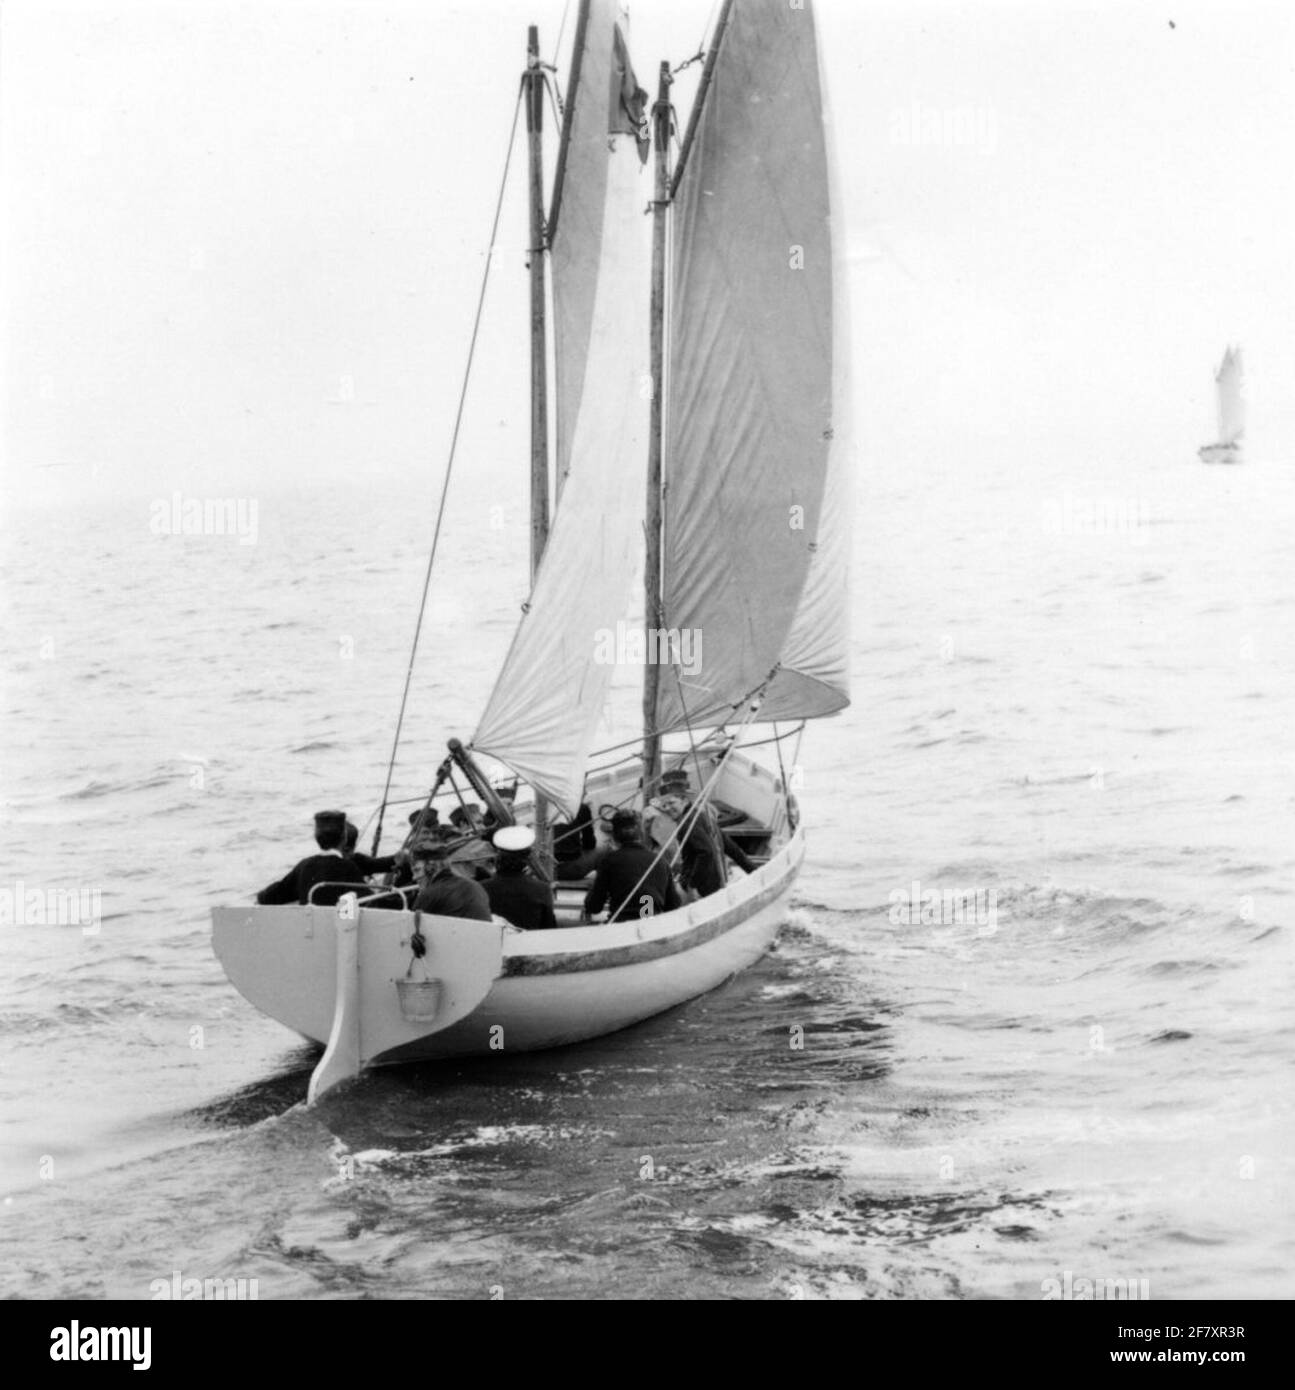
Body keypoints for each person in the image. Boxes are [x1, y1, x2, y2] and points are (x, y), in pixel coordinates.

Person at [656, 770, 754, 898]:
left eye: (671, 803)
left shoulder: (687, 825)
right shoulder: (702, 815)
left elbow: (706, 852)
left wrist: (692, 886)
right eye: (665, 805)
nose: (668, 808)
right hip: (719, 881)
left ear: (684, 800)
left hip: (702, 888)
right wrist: (753, 870)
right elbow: (730, 847)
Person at [256, 810, 370, 907]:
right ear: (344, 838)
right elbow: (370, 901)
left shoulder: (304, 866)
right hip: (338, 929)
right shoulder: (348, 867)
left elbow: (267, 897)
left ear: (316, 837)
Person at [584, 810, 681, 924]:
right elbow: (673, 905)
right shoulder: (660, 861)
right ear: (642, 834)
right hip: (651, 925)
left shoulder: (609, 861)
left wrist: (593, 887)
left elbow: (593, 907)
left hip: (621, 926)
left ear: (614, 836)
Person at [484, 825, 557, 931]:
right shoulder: (542, 889)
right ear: (527, 859)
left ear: (497, 857)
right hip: (528, 945)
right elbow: (549, 928)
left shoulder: (481, 887)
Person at [412, 840, 493, 921]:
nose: (414, 877)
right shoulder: (476, 886)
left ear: (432, 867)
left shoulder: (429, 895)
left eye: (417, 870)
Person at [344, 820, 409, 879]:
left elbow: (377, 864)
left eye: (351, 849)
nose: (351, 854)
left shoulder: (357, 861)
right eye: (346, 850)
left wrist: (396, 859)